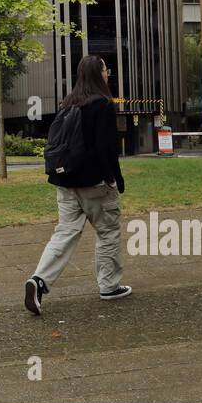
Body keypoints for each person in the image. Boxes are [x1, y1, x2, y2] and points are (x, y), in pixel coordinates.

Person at [24, 54, 130, 315]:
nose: (108, 73)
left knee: (64, 233)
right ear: (98, 73)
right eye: (106, 69)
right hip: (94, 183)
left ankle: (39, 280)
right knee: (107, 232)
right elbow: (106, 148)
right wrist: (115, 179)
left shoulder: (68, 103)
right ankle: (109, 286)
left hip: (66, 181)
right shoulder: (102, 104)